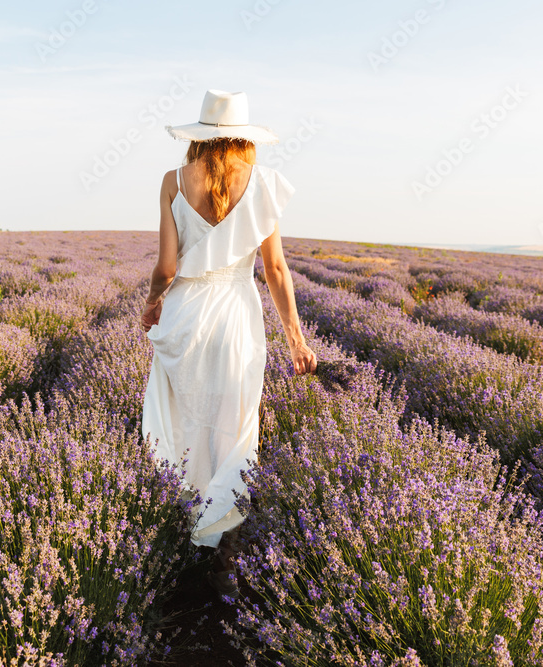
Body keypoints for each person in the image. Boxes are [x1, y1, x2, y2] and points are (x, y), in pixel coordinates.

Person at [139, 90, 318, 599]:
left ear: (200, 134)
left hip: (187, 315)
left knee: (182, 425)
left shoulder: (174, 181)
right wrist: (296, 340)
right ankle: (223, 559)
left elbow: (167, 268)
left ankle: (179, 541)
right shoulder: (260, 184)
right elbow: (276, 269)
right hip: (238, 316)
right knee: (235, 429)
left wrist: (154, 303)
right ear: (244, 137)